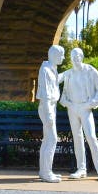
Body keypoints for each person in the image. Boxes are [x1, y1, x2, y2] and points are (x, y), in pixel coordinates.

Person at [59, 47, 98, 181]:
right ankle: (81, 169)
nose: (74, 59)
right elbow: (63, 94)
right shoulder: (68, 74)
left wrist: (91, 103)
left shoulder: (90, 71)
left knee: (91, 137)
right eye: (72, 57)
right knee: (77, 139)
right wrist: (67, 103)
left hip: (86, 108)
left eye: (77, 57)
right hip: (72, 108)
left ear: (82, 57)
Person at [36, 45, 64, 183]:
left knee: (47, 140)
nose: (63, 58)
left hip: (50, 107)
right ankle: (47, 173)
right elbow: (46, 94)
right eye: (61, 55)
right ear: (54, 55)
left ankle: (44, 171)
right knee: (52, 139)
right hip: (47, 107)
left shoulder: (52, 69)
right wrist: (49, 114)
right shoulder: (46, 70)